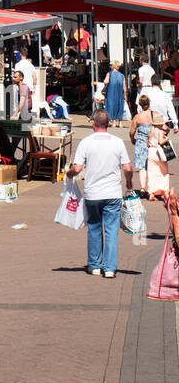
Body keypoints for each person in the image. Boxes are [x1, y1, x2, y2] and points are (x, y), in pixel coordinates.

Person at [67, 109, 133, 279]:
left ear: (93, 123)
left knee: (94, 228)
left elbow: (77, 168)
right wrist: (129, 182)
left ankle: (95, 265)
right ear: (108, 123)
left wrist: (69, 174)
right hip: (113, 193)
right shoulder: (118, 142)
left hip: (93, 193)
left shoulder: (86, 142)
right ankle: (109, 268)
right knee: (111, 231)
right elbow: (127, 167)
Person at [12, 48, 36, 119]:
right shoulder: (31, 65)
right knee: (27, 105)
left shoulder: (17, 65)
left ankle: (19, 116)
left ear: (20, 54)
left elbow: (16, 75)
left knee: (20, 103)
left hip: (21, 87)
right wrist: (34, 88)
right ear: (27, 54)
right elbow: (34, 77)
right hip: (29, 87)